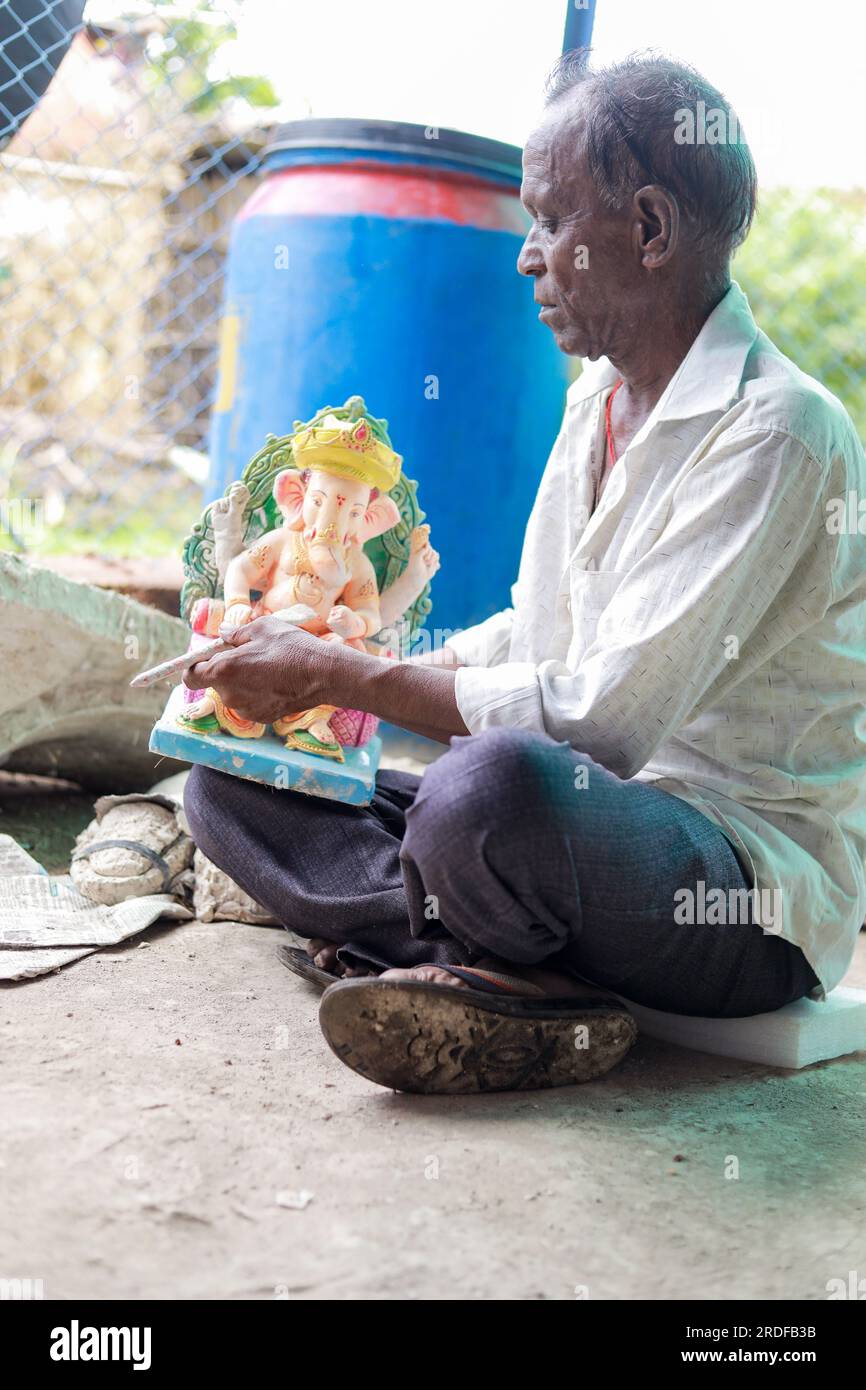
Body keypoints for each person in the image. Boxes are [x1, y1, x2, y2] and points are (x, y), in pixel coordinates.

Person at [184, 52, 866, 1094]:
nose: (525, 258)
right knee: (230, 780)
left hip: (733, 888)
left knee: (484, 792)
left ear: (646, 229)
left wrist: (338, 679)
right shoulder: (592, 399)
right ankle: (501, 975)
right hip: (571, 832)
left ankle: (442, 949)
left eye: (548, 221)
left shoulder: (778, 429)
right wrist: (327, 649)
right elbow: (533, 630)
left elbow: (597, 720)